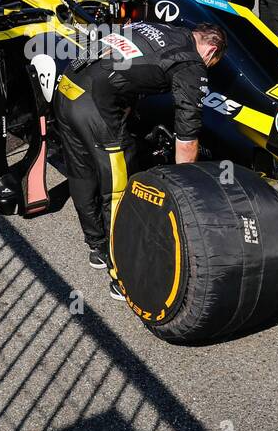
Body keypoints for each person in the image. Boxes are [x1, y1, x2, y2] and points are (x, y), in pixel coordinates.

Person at [52, 21, 227, 297]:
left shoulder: (159, 27)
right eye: (213, 63)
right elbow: (187, 136)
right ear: (211, 51)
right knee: (118, 189)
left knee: (82, 173)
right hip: (95, 109)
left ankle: (97, 247)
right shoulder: (191, 64)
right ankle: (121, 274)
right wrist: (186, 190)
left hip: (68, 86)